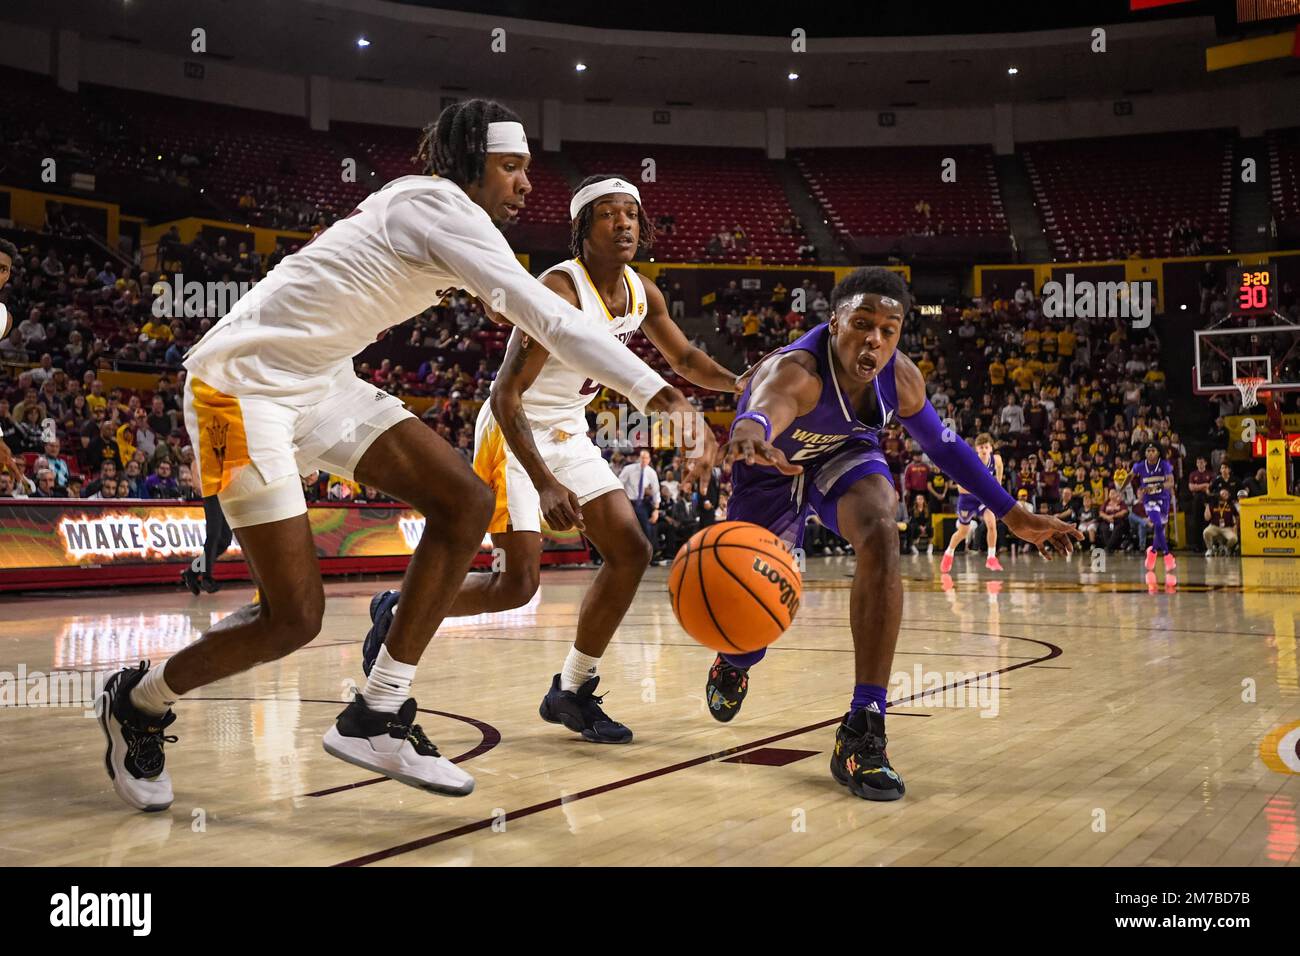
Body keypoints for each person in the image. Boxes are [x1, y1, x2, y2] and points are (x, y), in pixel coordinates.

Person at [93, 98, 714, 813]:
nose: (526, 185)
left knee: (466, 501)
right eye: (511, 168)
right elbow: (542, 314)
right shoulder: (435, 206)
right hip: (239, 389)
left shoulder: (447, 216)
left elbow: (478, 281)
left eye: (527, 171)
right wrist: (659, 394)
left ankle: (378, 714)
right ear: (472, 163)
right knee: (293, 619)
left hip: (321, 381)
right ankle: (138, 702)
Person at [361, 175, 737, 744]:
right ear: (584, 229)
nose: (625, 223)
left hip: (568, 429)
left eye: (632, 213)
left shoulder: (642, 292)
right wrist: (543, 483)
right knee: (517, 586)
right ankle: (398, 609)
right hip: (515, 434)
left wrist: (745, 384)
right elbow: (504, 395)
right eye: (610, 214)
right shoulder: (560, 290)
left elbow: (684, 356)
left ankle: (572, 689)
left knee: (631, 549)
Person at [712, 267, 1080, 802]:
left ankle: (864, 725)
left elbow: (945, 445)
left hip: (842, 455)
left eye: (889, 328)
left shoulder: (900, 378)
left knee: (884, 532)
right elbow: (765, 410)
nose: (875, 339)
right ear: (835, 322)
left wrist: (1014, 513)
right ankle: (736, 660)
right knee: (751, 616)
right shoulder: (797, 371)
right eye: (862, 324)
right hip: (770, 467)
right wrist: (748, 434)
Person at [939, 432, 1004, 573]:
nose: (984, 450)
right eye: (981, 447)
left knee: (992, 525)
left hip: (984, 498)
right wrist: (983, 488)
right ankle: (949, 553)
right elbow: (961, 488)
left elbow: (1000, 468)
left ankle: (991, 558)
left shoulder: (996, 459)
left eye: (986, 447)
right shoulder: (970, 462)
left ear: (991, 448)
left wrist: (998, 485)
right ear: (976, 449)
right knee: (963, 532)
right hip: (967, 499)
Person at [1133, 442, 1175, 571]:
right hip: (1149, 500)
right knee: (1156, 525)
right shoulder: (1140, 466)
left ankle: (1152, 552)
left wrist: (1158, 487)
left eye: (1153, 450)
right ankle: (1168, 555)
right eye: (1148, 451)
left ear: (1158, 452)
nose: (1150, 453)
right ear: (1144, 453)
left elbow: (1171, 483)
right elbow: (1130, 476)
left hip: (1163, 499)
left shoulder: (1164, 465)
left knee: (1160, 529)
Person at [1203, 488, 1239, 556]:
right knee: (1206, 532)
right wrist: (1207, 506)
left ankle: (1226, 548)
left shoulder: (1231, 505)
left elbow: (1237, 516)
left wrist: (1235, 526)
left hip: (1227, 527)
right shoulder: (1213, 504)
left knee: (1234, 538)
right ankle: (1210, 549)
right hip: (1214, 526)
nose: (1225, 495)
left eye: (1226, 494)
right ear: (1219, 495)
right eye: (1223, 493)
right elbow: (1207, 518)